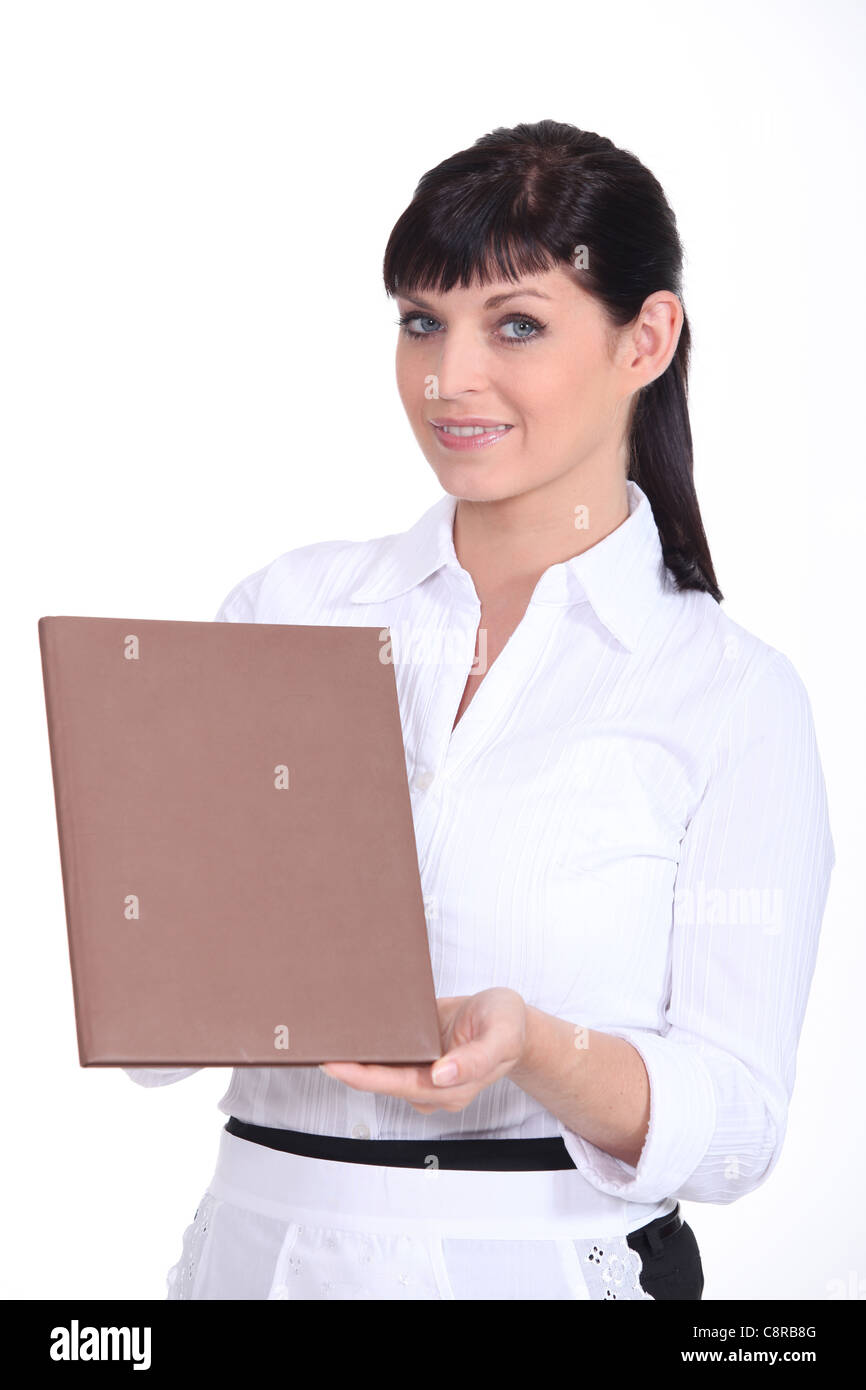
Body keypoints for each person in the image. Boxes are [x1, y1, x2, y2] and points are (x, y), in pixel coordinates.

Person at [124, 118, 835, 1301]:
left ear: (644, 338)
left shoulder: (727, 693)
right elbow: (156, 1041)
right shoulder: (287, 608)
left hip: (545, 1267)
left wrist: (538, 1046)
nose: (448, 379)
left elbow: (737, 1126)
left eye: (516, 324)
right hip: (258, 1253)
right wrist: (163, 954)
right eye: (419, 322)